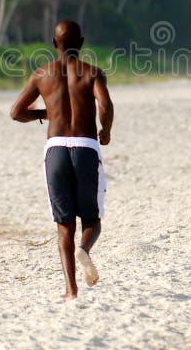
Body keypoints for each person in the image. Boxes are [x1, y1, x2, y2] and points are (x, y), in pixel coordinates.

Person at [10, 21, 114, 301]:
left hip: (55, 148)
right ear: (81, 43)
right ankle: (85, 249)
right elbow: (104, 106)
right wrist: (106, 130)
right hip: (85, 147)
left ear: (53, 42)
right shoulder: (92, 73)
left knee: (63, 225)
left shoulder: (41, 74)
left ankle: (70, 290)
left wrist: (46, 112)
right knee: (91, 218)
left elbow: (16, 112)